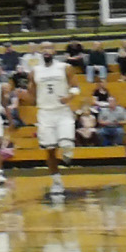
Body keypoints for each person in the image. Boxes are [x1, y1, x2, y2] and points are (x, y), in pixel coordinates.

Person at [28, 41, 77, 196]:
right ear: (40, 52)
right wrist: (23, 97)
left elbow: (76, 87)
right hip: (45, 113)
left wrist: (69, 97)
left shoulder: (65, 67)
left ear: (54, 51)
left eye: (49, 48)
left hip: (62, 111)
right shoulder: (35, 71)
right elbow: (32, 95)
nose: (46, 50)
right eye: (43, 48)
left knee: (67, 143)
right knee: (50, 150)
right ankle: (56, 182)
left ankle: (67, 153)